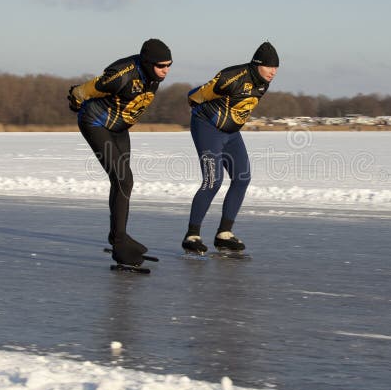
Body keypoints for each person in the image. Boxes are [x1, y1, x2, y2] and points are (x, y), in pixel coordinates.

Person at [67, 38, 172, 266]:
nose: (166, 71)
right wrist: (76, 99)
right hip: (95, 123)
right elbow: (83, 90)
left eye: (169, 65)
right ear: (147, 63)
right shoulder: (122, 74)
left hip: (119, 128)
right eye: (161, 66)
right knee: (124, 179)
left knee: (124, 182)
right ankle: (119, 240)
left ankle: (119, 237)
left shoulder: (152, 75)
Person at [182, 41, 279, 254]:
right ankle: (192, 235)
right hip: (207, 128)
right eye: (270, 66)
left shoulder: (264, 82)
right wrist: (200, 106)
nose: (273, 71)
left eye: (276, 67)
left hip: (231, 133)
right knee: (213, 181)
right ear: (257, 64)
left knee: (242, 177)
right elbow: (195, 96)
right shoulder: (232, 76)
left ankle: (224, 234)